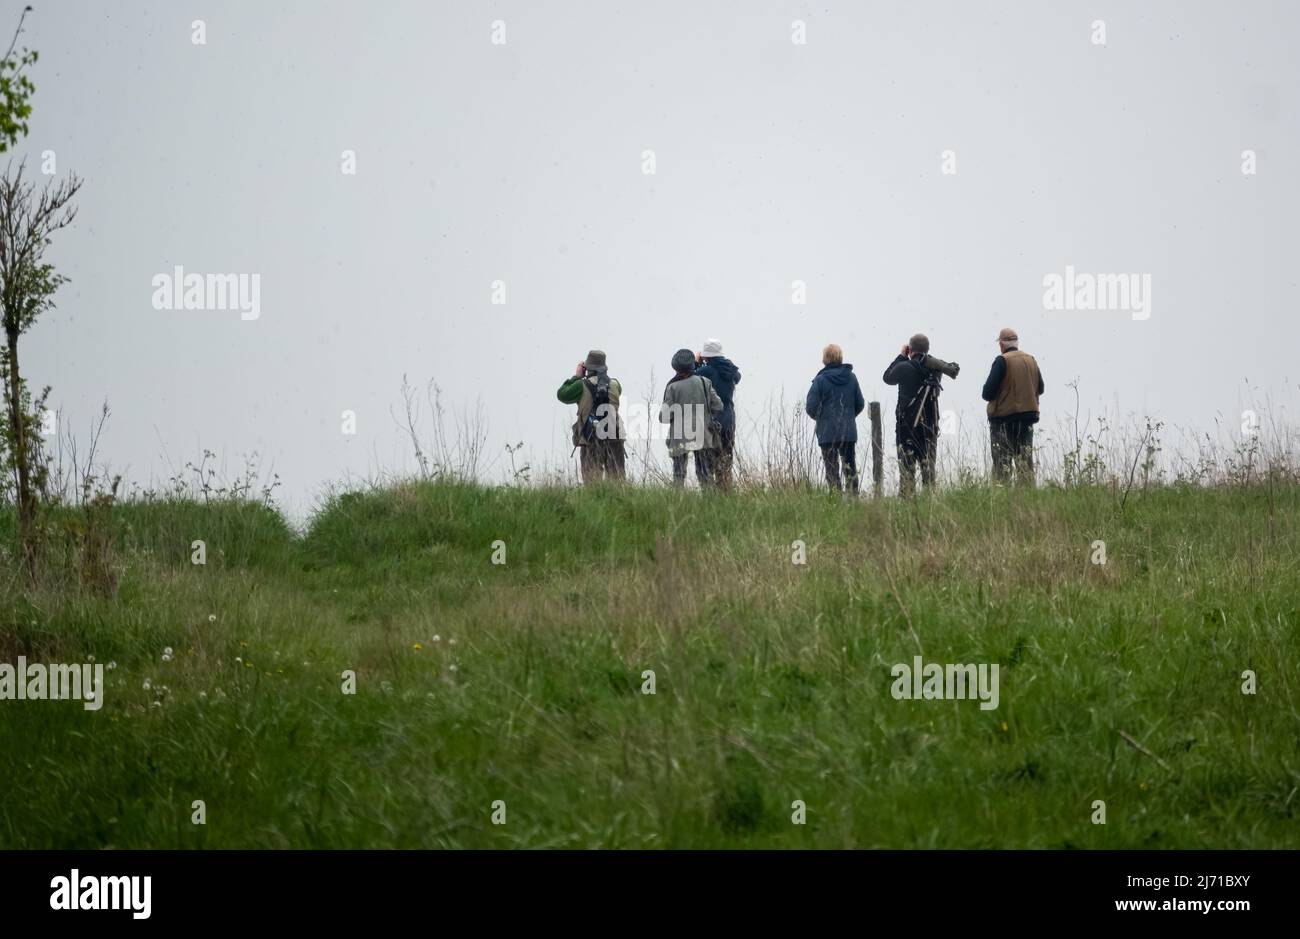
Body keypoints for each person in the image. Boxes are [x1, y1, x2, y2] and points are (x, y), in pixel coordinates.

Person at [882, 334, 960, 497]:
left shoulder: (904, 367)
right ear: (927, 349)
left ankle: (908, 506)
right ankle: (930, 506)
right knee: (928, 473)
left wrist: (901, 356)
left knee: (907, 473)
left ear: (910, 349)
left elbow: (887, 377)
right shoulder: (935, 368)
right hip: (929, 425)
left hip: (906, 426)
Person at [981, 327, 1044, 486]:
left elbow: (987, 393)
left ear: (1001, 344)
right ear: (1016, 343)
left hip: (1003, 420)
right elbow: (1041, 388)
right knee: (1025, 463)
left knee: (1002, 464)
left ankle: (1002, 499)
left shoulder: (1002, 361)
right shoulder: (1031, 360)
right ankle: (1028, 497)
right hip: (1027, 419)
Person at [557, 349, 627, 484]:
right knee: (618, 481)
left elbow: (562, 394)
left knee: (592, 482)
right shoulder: (615, 385)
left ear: (587, 368)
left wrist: (577, 376)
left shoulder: (580, 386)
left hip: (590, 438)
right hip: (615, 436)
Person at [805, 343, 865, 493]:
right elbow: (860, 403)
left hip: (827, 433)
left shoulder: (820, 380)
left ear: (825, 359)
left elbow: (810, 407)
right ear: (840, 358)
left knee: (832, 470)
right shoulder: (851, 378)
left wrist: (822, 419)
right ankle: (853, 500)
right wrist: (849, 417)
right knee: (850, 468)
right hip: (848, 431)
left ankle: (835, 502)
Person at [661, 348, 723, 487]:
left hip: (679, 435)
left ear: (676, 367)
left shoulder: (672, 387)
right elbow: (718, 405)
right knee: (705, 474)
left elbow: (664, 417)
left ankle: (678, 502)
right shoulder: (704, 382)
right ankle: (710, 503)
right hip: (703, 433)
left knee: (678, 475)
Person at [694, 338, 742, 489]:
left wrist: (696, 363)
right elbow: (737, 376)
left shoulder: (705, 371)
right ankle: (725, 491)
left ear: (706, 355)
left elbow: (692, 379)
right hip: (729, 419)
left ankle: (709, 496)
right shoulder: (732, 371)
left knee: (707, 461)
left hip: (711, 421)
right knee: (725, 459)